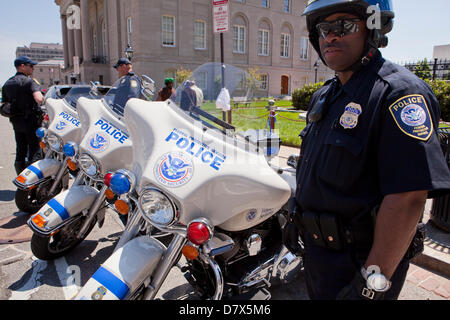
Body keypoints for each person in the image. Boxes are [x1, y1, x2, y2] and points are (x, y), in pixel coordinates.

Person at [292, 0, 450, 300]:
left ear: (374, 28)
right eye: (323, 28)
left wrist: (371, 283)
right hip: (317, 255)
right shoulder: (326, 96)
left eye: (343, 26)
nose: (330, 37)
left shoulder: (398, 93)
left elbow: (407, 198)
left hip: (361, 262)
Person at [2, 56, 44, 175]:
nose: (33, 68)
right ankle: (32, 182)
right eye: (31, 66)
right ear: (22, 66)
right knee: (35, 150)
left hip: (16, 121)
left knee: (20, 149)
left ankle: (21, 177)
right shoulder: (29, 82)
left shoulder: (7, 83)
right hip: (31, 121)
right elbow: (39, 98)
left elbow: (4, 104)